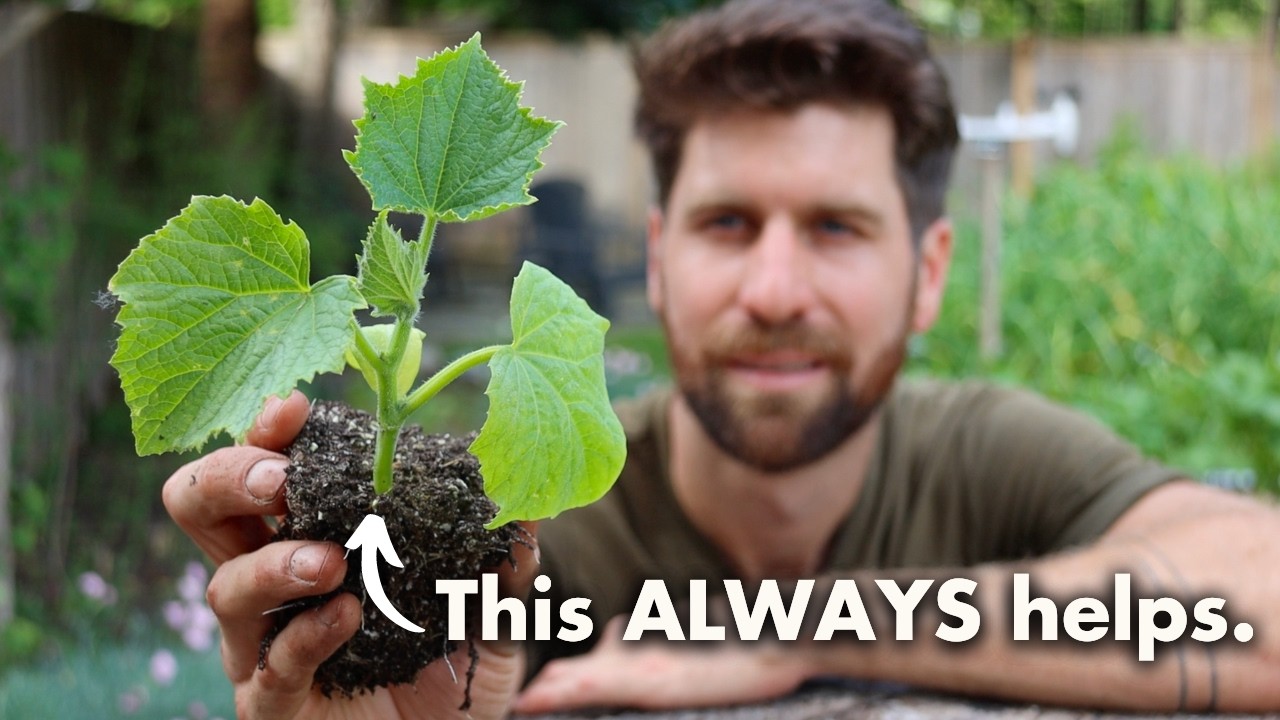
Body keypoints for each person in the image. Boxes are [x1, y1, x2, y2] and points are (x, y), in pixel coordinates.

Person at [161, 1, 1280, 718]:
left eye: (836, 228)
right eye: (728, 224)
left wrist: (788, 630)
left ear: (928, 270)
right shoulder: (528, 513)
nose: (775, 290)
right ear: (655, 257)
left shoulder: (984, 454)